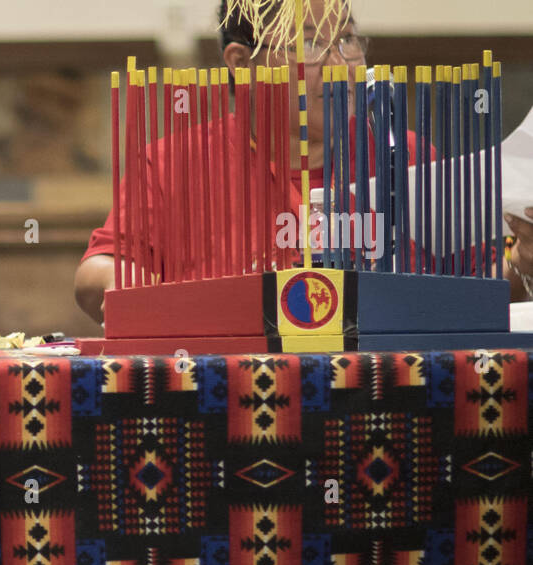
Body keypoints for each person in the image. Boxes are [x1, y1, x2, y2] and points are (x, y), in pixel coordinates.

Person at [74, 0, 525, 324]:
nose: (340, 64)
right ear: (241, 62)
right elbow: (98, 274)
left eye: (347, 39)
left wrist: (525, 257)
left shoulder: (404, 154)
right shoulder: (174, 164)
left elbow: (480, 283)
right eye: (309, 43)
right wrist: (176, 306)